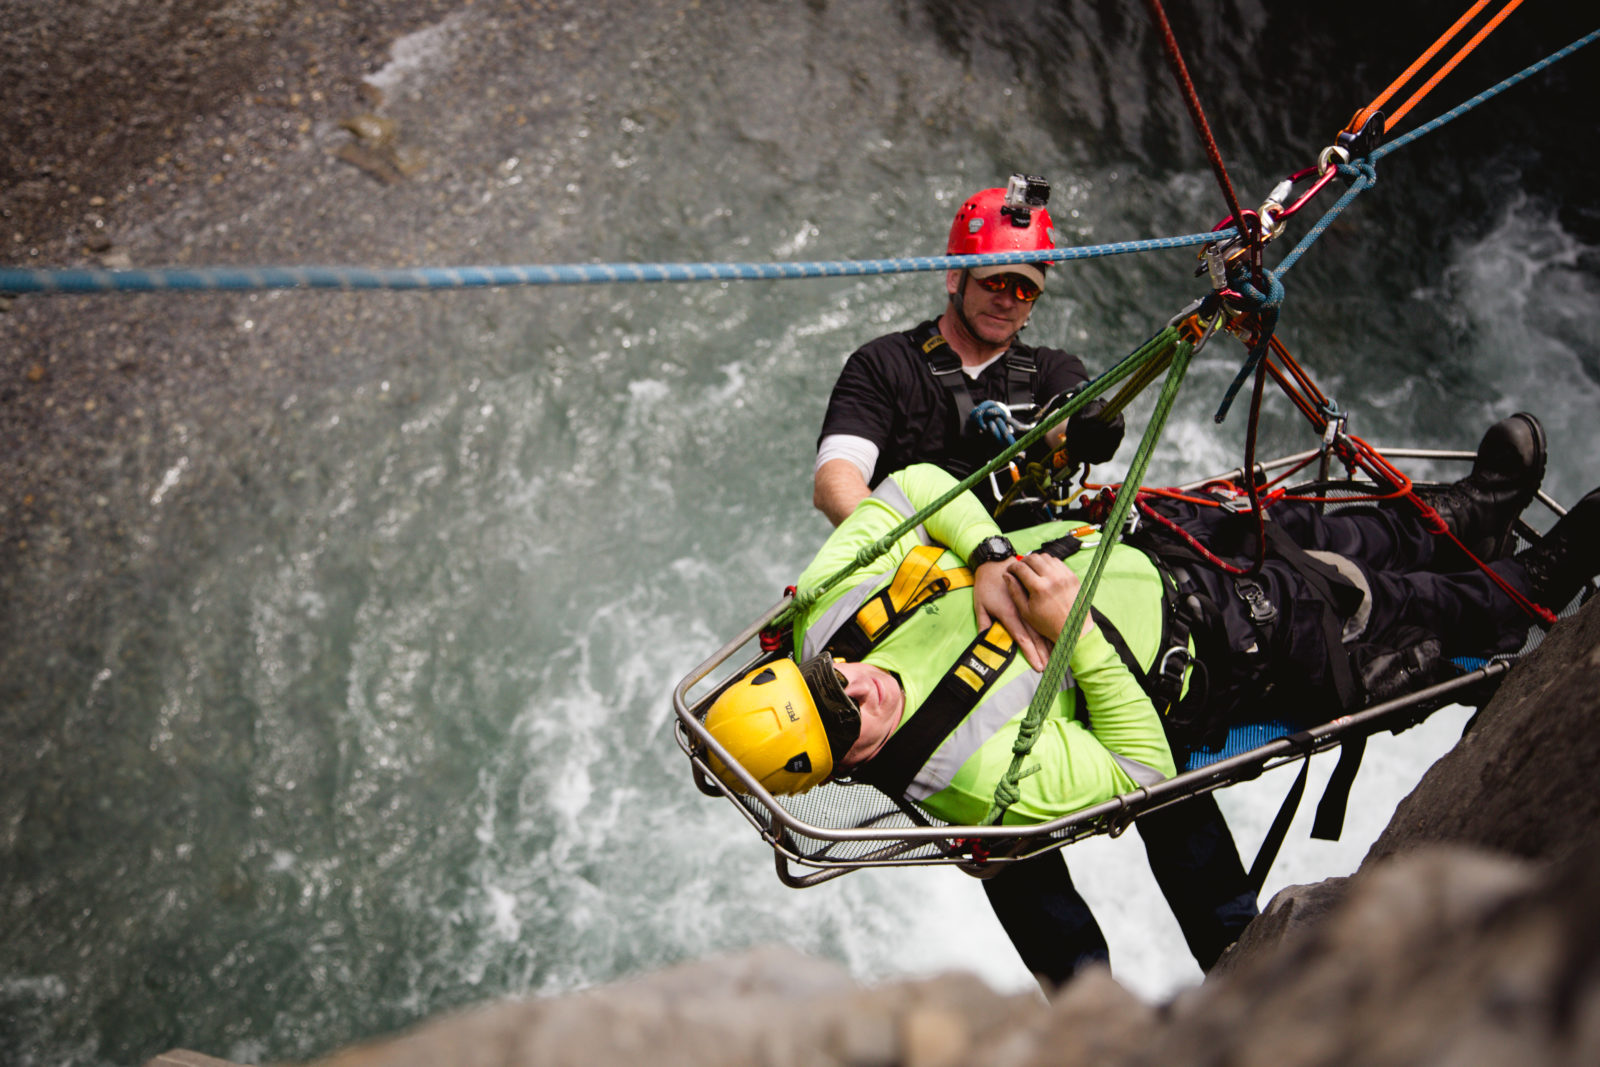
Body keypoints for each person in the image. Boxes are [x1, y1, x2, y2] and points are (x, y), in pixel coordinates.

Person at [710, 419, 1596, 967]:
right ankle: (1535, 586)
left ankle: (1474, 507)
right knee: (1377, 603)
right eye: (846, 710)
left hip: (1158, 547)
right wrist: (1074, 632)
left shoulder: (832, 621)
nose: (857, 681)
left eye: (825, 678)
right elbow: (1140, 766)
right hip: (1214, 646)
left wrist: (982, 556)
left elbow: (916, 487)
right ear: (848, 756)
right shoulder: (976, 777)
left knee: (1326, 529)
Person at [808, 175, 1240, 986]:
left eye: (1026, 289)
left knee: (1159, 750)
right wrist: (925, 559)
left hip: (1052, 605)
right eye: (995, 282)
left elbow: (1079, 421)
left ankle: (1237, 954)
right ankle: (1090, 1016)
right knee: (1002, 829)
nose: (1010, 301)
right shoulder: (887, 368)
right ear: (954, 275)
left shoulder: (1048, 371)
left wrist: (1090, 426)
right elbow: (839, 480)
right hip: (932, 621)